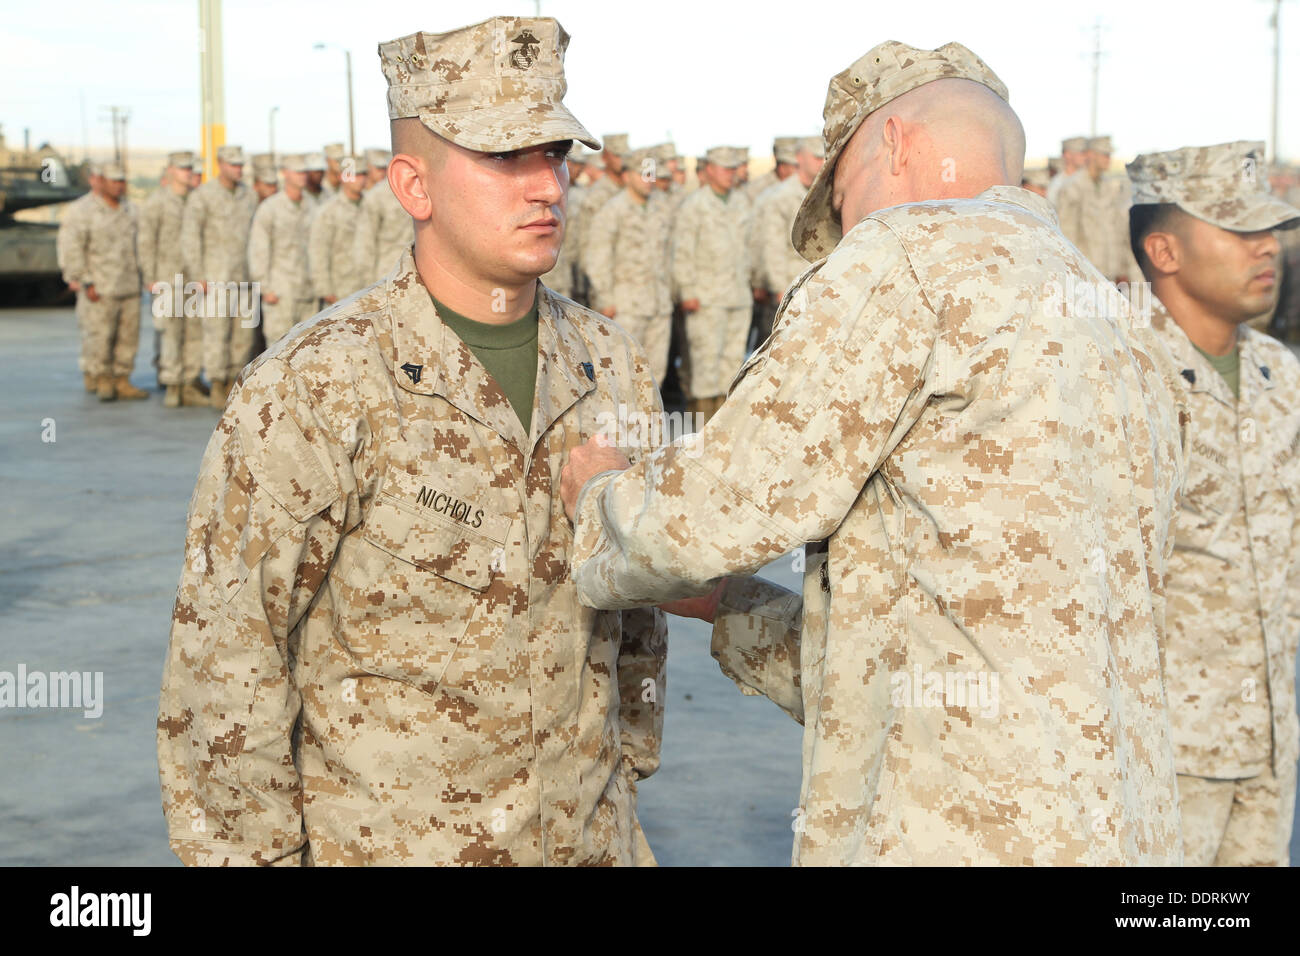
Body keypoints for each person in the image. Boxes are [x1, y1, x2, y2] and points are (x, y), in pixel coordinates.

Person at [561, 40, 1189, 866]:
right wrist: (729, 607)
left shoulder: (908, 257)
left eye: (843, 194)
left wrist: (602, 498)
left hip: (952, 835)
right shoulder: (1127, 330)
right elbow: (933, 657)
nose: (846, 228)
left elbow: (707, 514)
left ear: (892, 143)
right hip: (1121, 835)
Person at [157, 15, 667, 867]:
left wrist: (630, 761)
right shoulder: (318, 384)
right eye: (507, 159)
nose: (547, 186)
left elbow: (639, 611)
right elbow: (228, 660)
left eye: (556, 156)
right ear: (413, 185)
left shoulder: (610, 363)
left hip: (588, 837)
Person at [1128, 140, 1300, 866]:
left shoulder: (1277, 371)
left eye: (1271, 232)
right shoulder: (1118, 376)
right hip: (1160, 752)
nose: (1267, 250)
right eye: (1238, 231)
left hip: (1269, 740)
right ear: (1164, 250)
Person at [670, 145, 753, 422]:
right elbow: (682, 252)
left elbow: (750, 247)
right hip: (705, 297)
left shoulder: (742, 202)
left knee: (732, 363)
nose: (731, 174)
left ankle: (724, 425)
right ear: (709, 170)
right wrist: (688, 291)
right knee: (706, 365)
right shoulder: (695, 205)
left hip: (738, 295)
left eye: (733, 168)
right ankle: (702, 429)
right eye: (725, 169)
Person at [58, 161, 146, 401]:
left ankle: (122, 379)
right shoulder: (82, 210)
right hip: (99, 286)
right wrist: (84, 280)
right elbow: (72, 246)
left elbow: (142, 246)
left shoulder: (131, 210)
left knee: (128, 337)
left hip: (129, 285)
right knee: (99, 336)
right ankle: (101, 378)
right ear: (101, 181)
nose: (119, 186)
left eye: (122, 181)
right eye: (114, 181)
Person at [585, 146, 673, 383]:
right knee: (624, 374)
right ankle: (625, 421)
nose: (649, 180)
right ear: (627, 176)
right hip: (625, 306)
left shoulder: (662, 208)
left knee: (656, 375)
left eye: (651, 174)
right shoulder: (613, 211)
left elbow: (669, 255)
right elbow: (598, 258)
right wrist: (605, 299)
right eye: (642, 174)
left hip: (659, 304)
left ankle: (651, 421)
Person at [180, 143, 258, 408]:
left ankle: (232, 383)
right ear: (220, 164)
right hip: (215, 278)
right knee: (216, 334)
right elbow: (190, 237)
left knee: (242, 337)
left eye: (240, 165)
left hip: (244, 277)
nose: (238, 169)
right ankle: (215, 384)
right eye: (233, 165)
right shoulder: (203, 196)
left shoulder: (249, 196)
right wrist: (198, 274)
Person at [139, 150, 204, 406]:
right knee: (170, 333)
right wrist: (150, 276)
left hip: (194, 278)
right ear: (171, 171)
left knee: (194, 333)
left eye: (190, 168)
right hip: (167, 277)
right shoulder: (157, 202)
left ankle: (190, 382)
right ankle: (173, 385)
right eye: (182, 168)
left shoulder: (197, 202)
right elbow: (146, 241)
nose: (187, 173)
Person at [248, 154, 316, 346]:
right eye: (298, 172)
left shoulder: (312, 206)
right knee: (278, 350)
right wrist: (265, 286)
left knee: (306, 349)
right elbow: (259, 249)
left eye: (304, 172)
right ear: (285, 174)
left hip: (307, 292)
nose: (302, 176)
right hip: (280, 292)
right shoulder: (270, 208)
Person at [1056, 135, 1139, 283]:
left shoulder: (1109, 187)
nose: (1109, 159)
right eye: (1104, 155)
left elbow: (1118, 229)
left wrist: (1123, 267)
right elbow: (1067, 231)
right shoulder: (1072, 187)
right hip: (1086, 271)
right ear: (1090, 155)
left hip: (1110, 271)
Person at [308, 154, 367, 308]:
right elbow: (319, 251)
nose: (360, 179)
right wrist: (325, 289)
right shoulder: (328, 211)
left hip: (368, 285)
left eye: (363, 174)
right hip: (340, 289)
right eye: (355, 175)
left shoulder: (372, 206)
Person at [353, 147, 411, 283]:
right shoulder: (375, 197)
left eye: (382, 168)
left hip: (406, 273)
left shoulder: (409, 189)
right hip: (386, 276)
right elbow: (365, 244)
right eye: (377, 168)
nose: (380, 172)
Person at [1046, 135, 1086, 207]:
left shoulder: (1088, 178)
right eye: (1081, 153)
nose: (1085, 156)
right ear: (1067, 155)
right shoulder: (1057, 184)